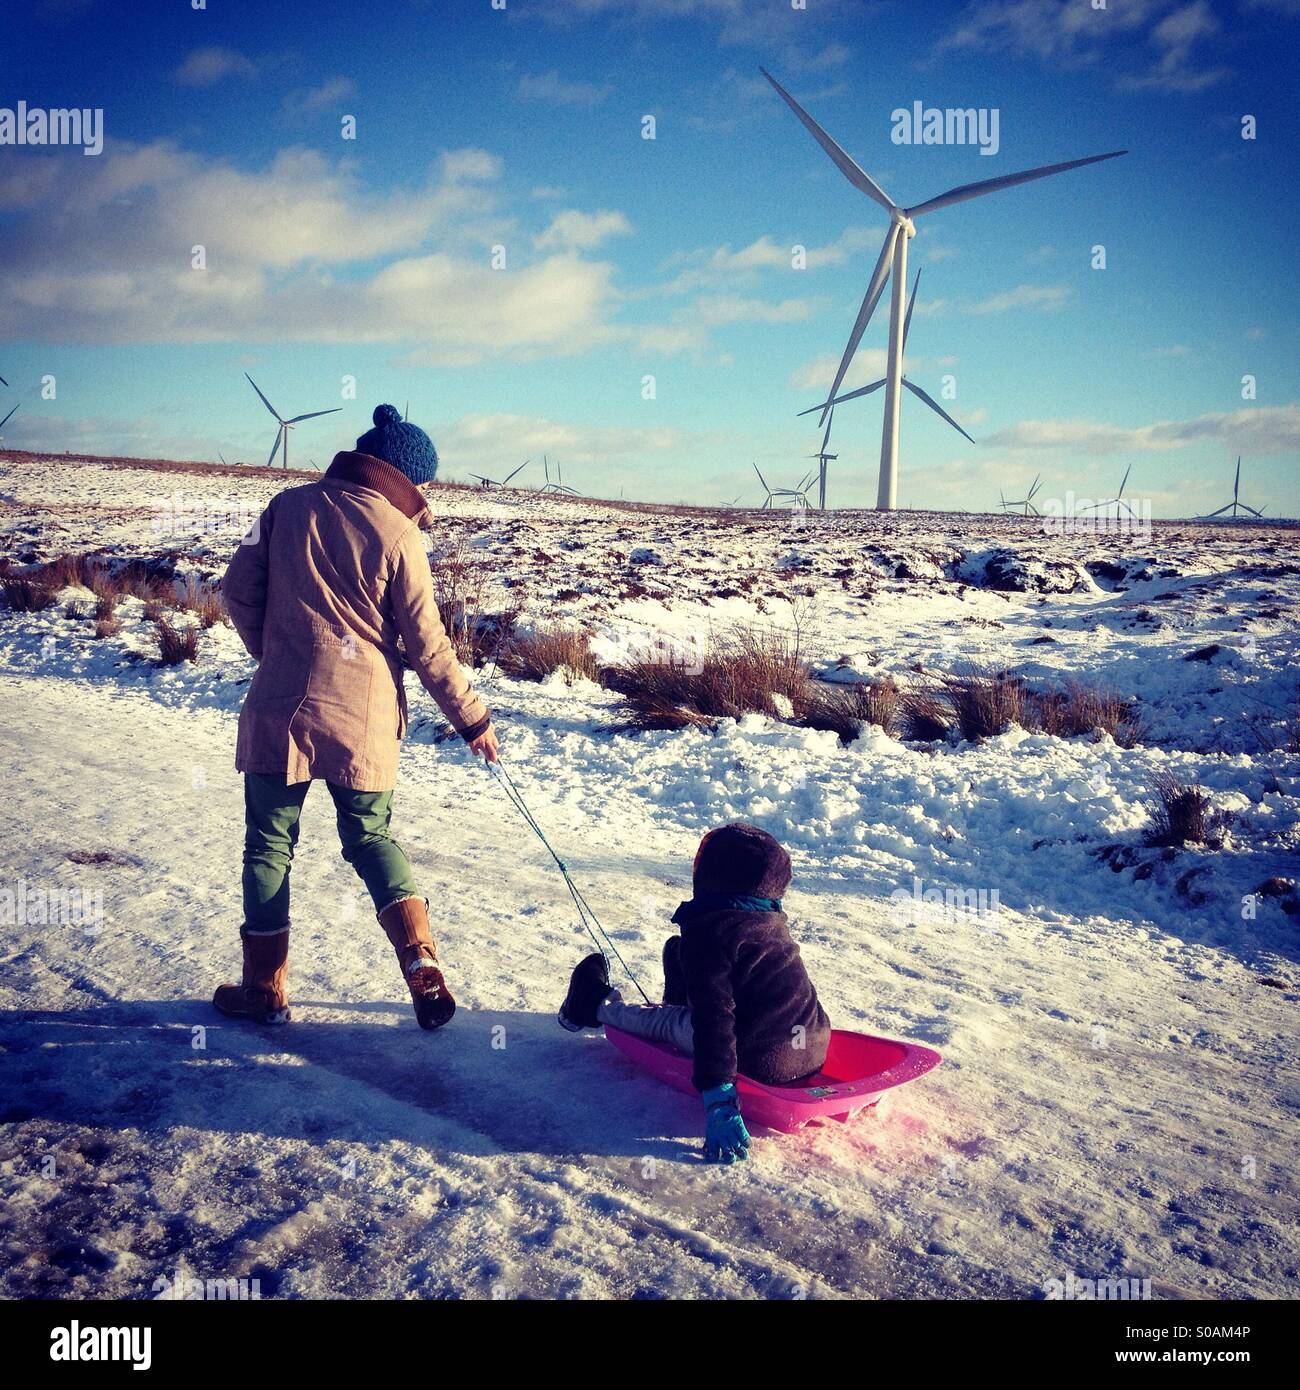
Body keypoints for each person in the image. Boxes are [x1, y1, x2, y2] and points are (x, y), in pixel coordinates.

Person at [213, 403, 498, 1030]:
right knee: (370, 838)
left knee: (267, 845)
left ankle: (264, 987)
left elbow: (236, 590)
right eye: (423, 483)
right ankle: (421, 965)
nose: (425, 494)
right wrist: (472, 719)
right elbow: (427, 645)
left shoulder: (284, 507)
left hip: (279, 710)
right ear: (401, 474)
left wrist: (277, 650)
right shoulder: (401, 535)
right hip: (360, 717)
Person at [559, 823, 830, 1163]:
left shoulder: (711, 931)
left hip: (756, 1055)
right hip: (812, 1046)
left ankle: (591, 1002)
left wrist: (720, 1100)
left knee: (662, 1022)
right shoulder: (770, 922)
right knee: (688, 958)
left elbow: (714, 1020)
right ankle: (682, 992)